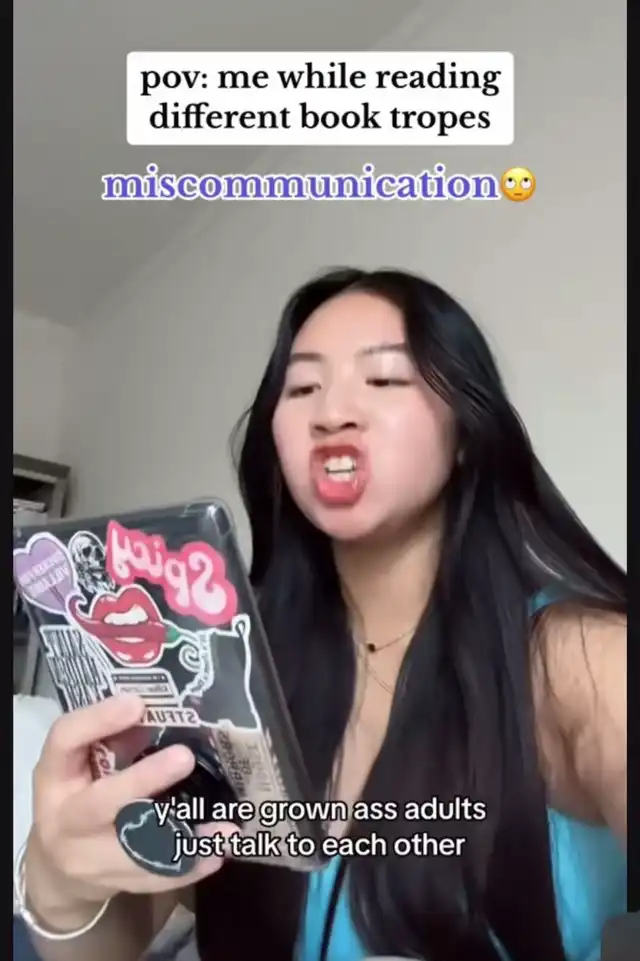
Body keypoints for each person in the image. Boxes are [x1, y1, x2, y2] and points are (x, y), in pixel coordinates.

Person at [18, 268, 627, 961]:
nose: (332, 412)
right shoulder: (226, 675)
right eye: (302, 387)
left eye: (385, 378)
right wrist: (60, 885)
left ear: (466, 429)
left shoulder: (583, 660)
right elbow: (118, 936)